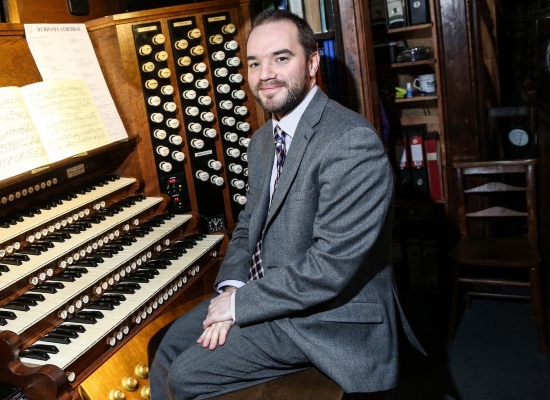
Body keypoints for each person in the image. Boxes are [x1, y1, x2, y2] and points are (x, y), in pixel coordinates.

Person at [149, 9, 423, 400]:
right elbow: (249, 226)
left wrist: (240, 306)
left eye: (281, 58)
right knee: (167, 347)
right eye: (254, 63)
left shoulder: (351, 142)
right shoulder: (263, 141)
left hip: (327, 315)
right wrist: (231, 291)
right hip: (272, 292)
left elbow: (330, 268)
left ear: (312, 63)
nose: (265, 75)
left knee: (187, 375)